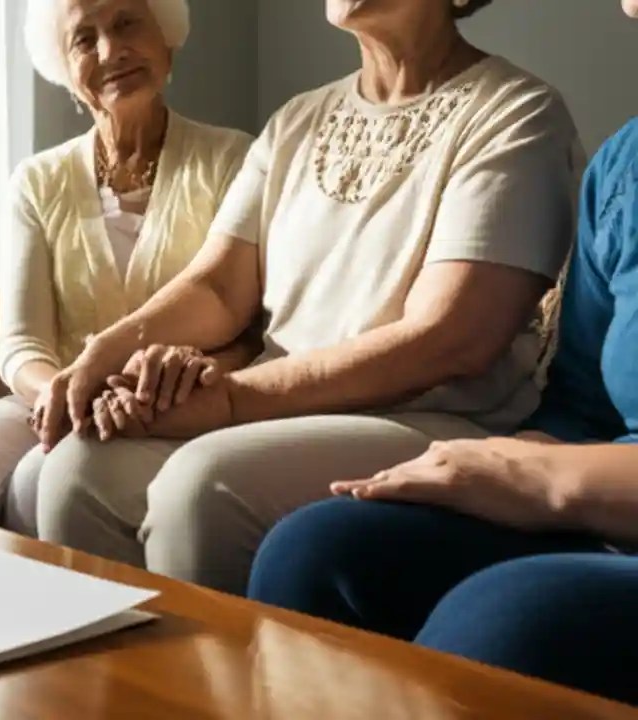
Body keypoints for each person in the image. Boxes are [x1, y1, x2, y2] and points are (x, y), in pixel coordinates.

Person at [29, 0, 585, 594]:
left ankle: (224, 662)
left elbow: (448, 339)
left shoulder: (516, 112)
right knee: (78, 469)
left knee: (202, 485)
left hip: (431, 419)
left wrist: (233, 399)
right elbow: (219, 287)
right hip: (280, 409)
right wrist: (104, 356)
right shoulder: (296, 120)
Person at [247, 0, 638, 705]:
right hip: (600, 509)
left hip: (605, 503)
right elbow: (581, 406)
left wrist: (550, 481)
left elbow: (449, 337)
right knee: (317, 550)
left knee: (505, 622)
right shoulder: (623, 169)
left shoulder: (514, 113)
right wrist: (496, 463)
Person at [0, 0, 254, 535]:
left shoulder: (232, 159)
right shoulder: (37, 181)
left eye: (127, 23)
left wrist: (183, 385)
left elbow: (251, 327)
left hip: (175, 401)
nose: (111, 51)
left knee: (38, 479)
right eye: (84, 39)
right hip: (60, 394)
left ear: (167, 39)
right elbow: (21, 345)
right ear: (65, 70)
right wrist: (65, 396)